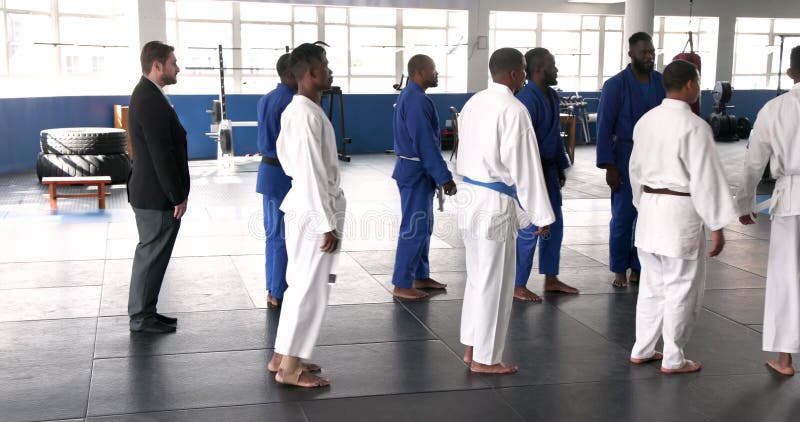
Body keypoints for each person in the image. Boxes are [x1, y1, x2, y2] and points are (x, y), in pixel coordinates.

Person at [628, 60, 736, 374]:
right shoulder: (695, 127)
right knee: (681, 287)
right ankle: (674, 358)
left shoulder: (646, 121)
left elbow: (635, 170)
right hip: (680, 215)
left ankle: (643, 348)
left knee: (651, 287)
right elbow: (707, 178)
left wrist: (642, 204)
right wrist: (716, 224)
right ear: (690, 84)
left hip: (649, 210)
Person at [455, 48, 555, 374]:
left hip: (470, 197)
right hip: (494, 204)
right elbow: (525, 167)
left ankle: (472, 346)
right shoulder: (514, 109)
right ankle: (486, 358)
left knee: (477, 278)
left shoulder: (474, 103)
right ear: (513, 74)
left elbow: (459, 150)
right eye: (524, 70)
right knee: (495, 283)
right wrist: (540, 215)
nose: (526, 76)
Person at [269, 43, 346, 388]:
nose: (330, 71)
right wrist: (325, 223)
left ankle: (282, 356)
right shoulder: (302, 114)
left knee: (302, 286)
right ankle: (290, 368)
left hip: (309, 206)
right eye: (325, 65)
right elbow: (311, 172)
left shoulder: (307, 111)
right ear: (311, 73)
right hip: (312, 211)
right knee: (307, 290)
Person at [736, 45, 800, 376]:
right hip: (790, 196)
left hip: (792, 200)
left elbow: (753, 162)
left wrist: (745, 203)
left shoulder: (774, 109)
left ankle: (785, 359)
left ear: (790, 74)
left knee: (787, 278)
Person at [126, 41, 189, 334]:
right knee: (150, 255)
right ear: (157, 65)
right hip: (155, 194)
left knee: (154, 255)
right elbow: (159, 153)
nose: (177, 68)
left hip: (154, 192)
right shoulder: (149, 98)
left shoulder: (151, 94)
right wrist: (176, 195)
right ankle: (140, 317)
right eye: (173, 62)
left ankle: (146, 312)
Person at [596, 32, 666, 288]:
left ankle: (639, 266)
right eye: (644, 52)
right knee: (624, 215)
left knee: (649, 215)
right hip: (625, 154)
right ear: (631, 54)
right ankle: (619, 269)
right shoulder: (616, 85)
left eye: (651, 52)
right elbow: (604, 126)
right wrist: (609, 165)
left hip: (656, 156)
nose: (649, 56)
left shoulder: (661, 82)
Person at [513, 48, 579, 302]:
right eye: (553, 65)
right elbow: (523, 143)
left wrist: (561, 166)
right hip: (532, 171)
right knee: (531, 226)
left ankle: (551, 278)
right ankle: (518, 283)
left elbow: (554, 137)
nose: (557, 70)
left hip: (550, 169)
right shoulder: (526, 99)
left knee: (554, 224)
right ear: (539, 69)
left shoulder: (551, 95)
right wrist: (530, 176)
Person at [391, 54, 457, 301]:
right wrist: (444, 177)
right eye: (433, 69)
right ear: (419, 72)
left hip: (417, 171)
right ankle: (401, 283)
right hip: (415, 172)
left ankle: (420, 275)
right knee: (414, 227)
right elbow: (425, 143)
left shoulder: (413, 97)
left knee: (423, 226)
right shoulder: (416, 100)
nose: (436, 73)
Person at [256, 53, 297, 309]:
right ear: (292, 74)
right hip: (283, 173)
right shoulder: (293, 102)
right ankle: (280, 290)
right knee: (284, 235)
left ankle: (273, 288)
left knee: (273, 234)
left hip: (267, 172)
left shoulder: (266, 99)